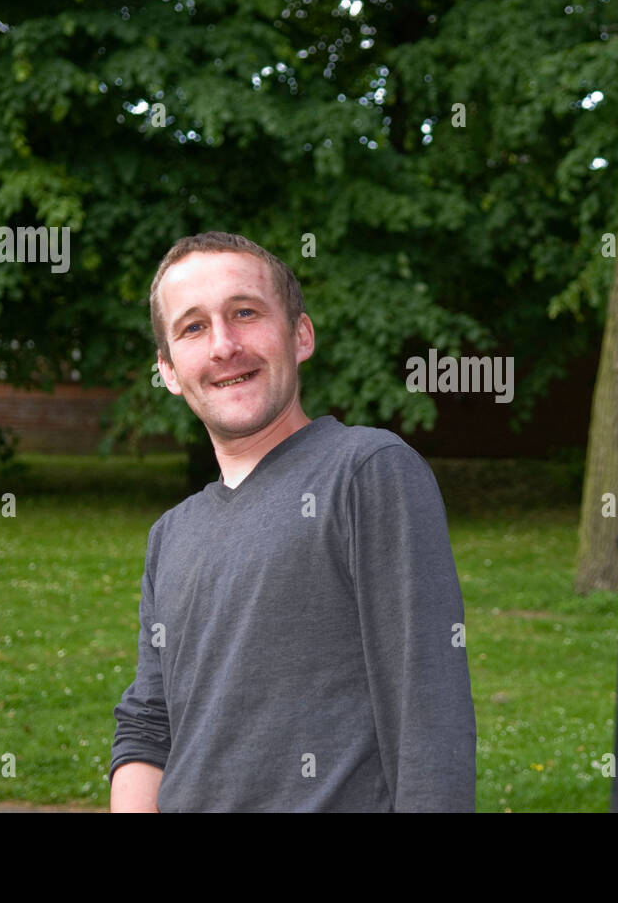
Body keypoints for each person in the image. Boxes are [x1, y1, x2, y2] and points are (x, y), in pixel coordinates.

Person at [109, 231, 476, 812]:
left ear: (299, 335)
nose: (224, 345)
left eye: (245, 313)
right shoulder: (171, 535)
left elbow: (427, 710)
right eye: (193, 327)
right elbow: (149, 722)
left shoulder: (366, 472)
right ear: (170, 370)